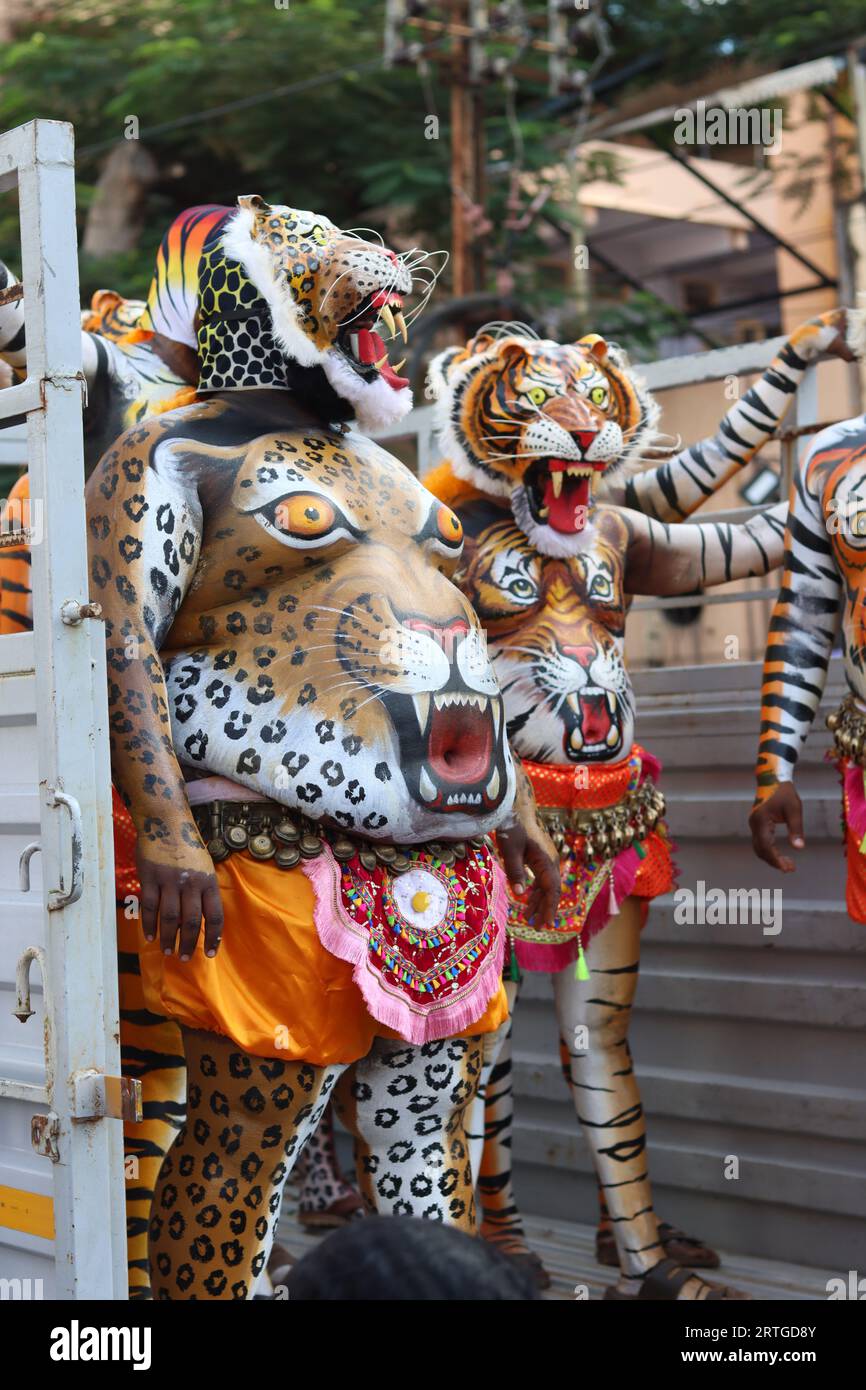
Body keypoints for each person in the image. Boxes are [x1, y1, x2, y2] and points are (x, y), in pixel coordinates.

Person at [87, 195, 560, 1299]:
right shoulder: (168, 451)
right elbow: (121, 644)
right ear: (267, 310)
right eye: (363, 314)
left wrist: (518, 809)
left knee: (427, 1140)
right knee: (252, 1135)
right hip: (265, 861)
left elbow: (469, 647)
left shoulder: (389, 473)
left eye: (390, 317)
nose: (387, 341)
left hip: (444, 867)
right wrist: (165, 825)